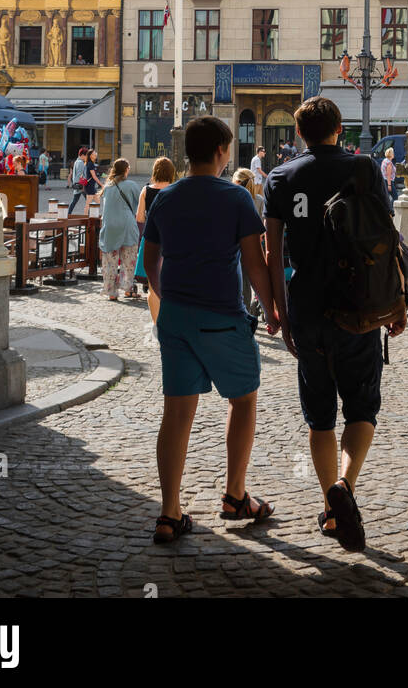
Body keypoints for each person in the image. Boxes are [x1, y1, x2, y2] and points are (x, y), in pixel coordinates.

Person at [264, 96, 405, 552]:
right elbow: (387, 237)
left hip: (306, 307)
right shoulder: (364, 168)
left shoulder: (281, 177)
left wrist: (276, 309)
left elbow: (273, 251)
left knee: (319, 416)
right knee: (362, 410)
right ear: (339, 128)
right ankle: (342, 489)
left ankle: (330, 505)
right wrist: (399, 302)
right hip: (359, 308)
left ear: (298, 133)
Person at [142, 117, 278, 544]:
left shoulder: (164, 198)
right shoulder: (236, 198)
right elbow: (255, 263)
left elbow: (149, 262)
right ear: (221, 150)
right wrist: (272, 310)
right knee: (242, 401)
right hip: (221, 315)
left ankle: (169, 512)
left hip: (175, 317)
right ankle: (235, 496)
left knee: (176, 414)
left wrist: (167, 298)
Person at [134, 157, 176, 328]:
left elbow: (139, 217)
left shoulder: (146, 190)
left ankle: (156, 323)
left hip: (151, 239)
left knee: (153, 286)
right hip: (172, 240)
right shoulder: (175, 189)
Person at [99, 158, 141, 300]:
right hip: (127, 225)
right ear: (126, 170)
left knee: (110, 261)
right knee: (128, 260)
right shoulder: (132, 185)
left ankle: (111, 292)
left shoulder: (108, 186)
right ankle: (128, 288)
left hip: (110, 226)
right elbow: (139, 205)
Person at [233, 166, 265, 312]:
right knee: (254, 281)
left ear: (238, 182)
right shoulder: (259, 200)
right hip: (257, 246)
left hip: (237, 246)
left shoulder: (234, 200)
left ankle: (243, 310)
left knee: (241, 282)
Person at [68, 147, 89, 214]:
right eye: (86, 156)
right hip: (80, 185)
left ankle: (68, 213)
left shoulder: (77, 161)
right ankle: (89, 214)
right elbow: (80, 175)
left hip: (77, 185)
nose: (87, 157)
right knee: (88, 200)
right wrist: (83, 186)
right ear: (82, 155)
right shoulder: (80, 163)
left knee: (75, 201)